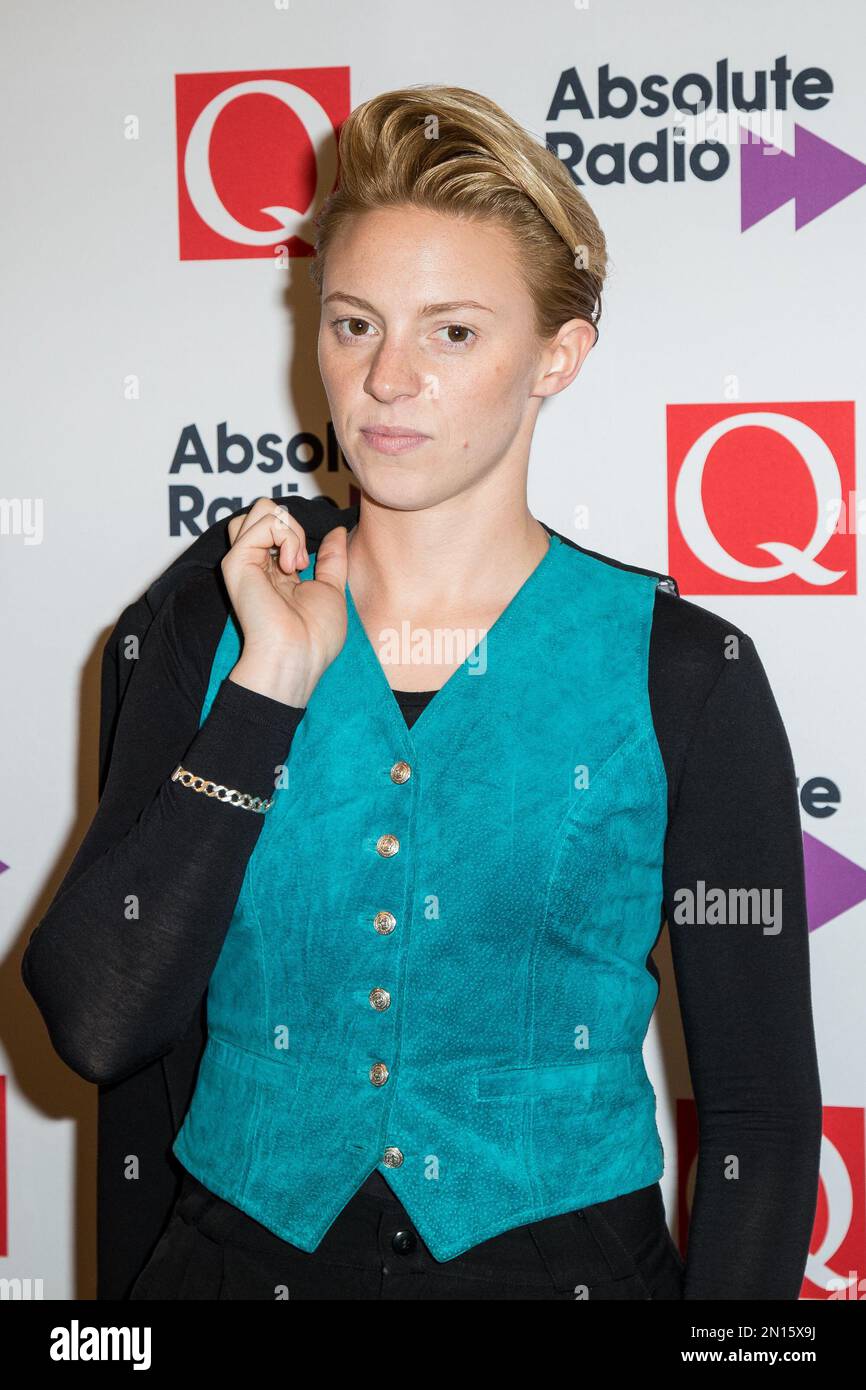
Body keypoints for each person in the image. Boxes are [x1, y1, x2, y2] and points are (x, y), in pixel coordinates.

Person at [22, 84, 822, 1300]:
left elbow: (760, 1122)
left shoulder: (682, 674)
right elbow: (96, 1026)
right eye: (354, 325)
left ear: (557, 355)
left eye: (451, 332)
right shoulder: (203, 629)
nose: (388, 379)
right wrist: (267, 692)